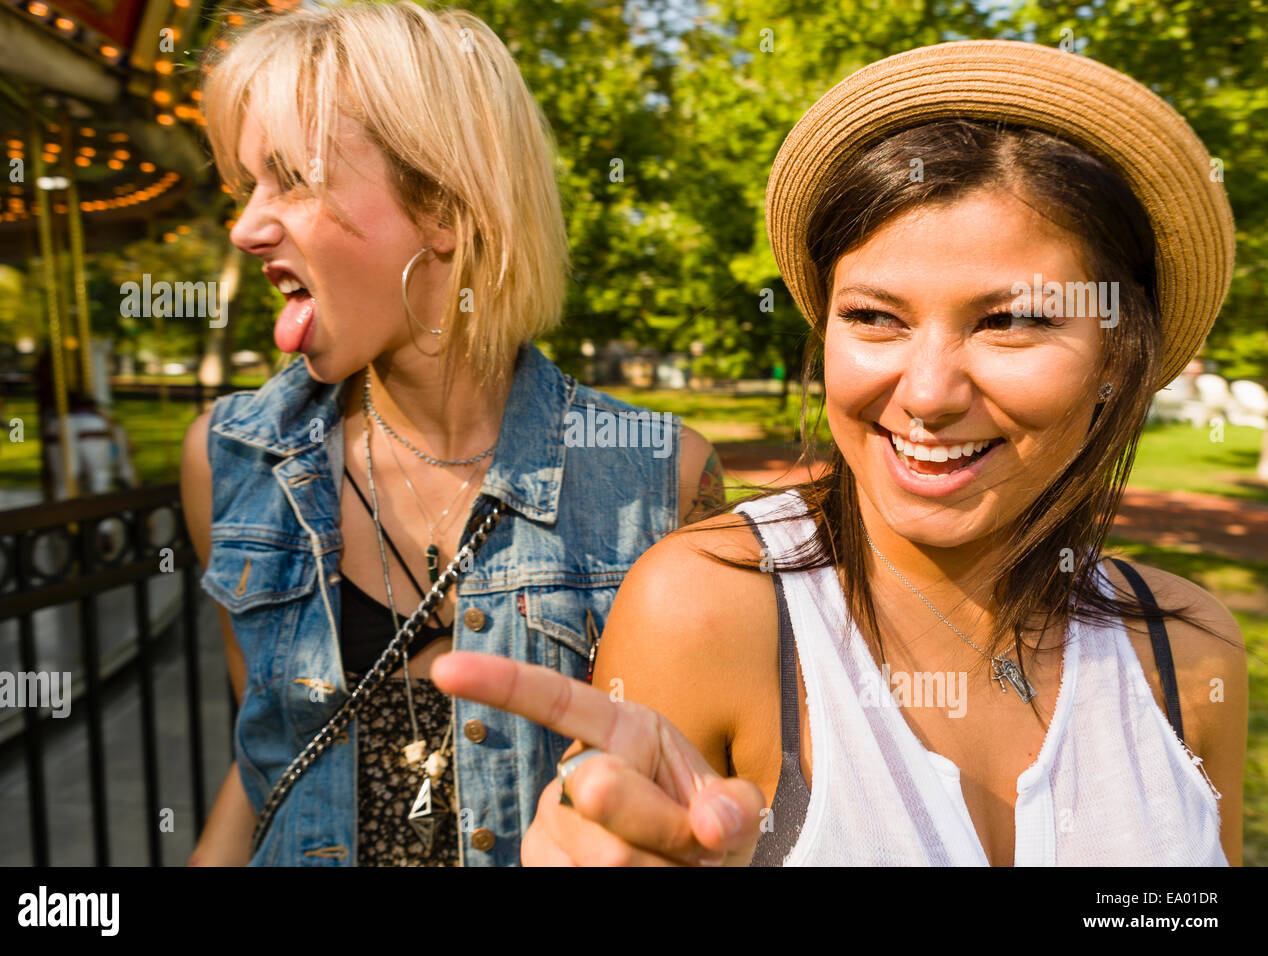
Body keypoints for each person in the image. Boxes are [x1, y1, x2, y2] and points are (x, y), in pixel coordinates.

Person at [432, 39, 1248, 866]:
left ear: (1115, 357)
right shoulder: (709, 612)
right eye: (873, 317)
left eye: (1010, 321)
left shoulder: (1188, 654)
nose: (928, 393)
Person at [179, 1, 721, 866]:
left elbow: (678, 802)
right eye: (248, 187)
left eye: (292, 178)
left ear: (442, 207)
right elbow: (264, 771)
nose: (246, 227)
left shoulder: (660, 479)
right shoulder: (232, 458)